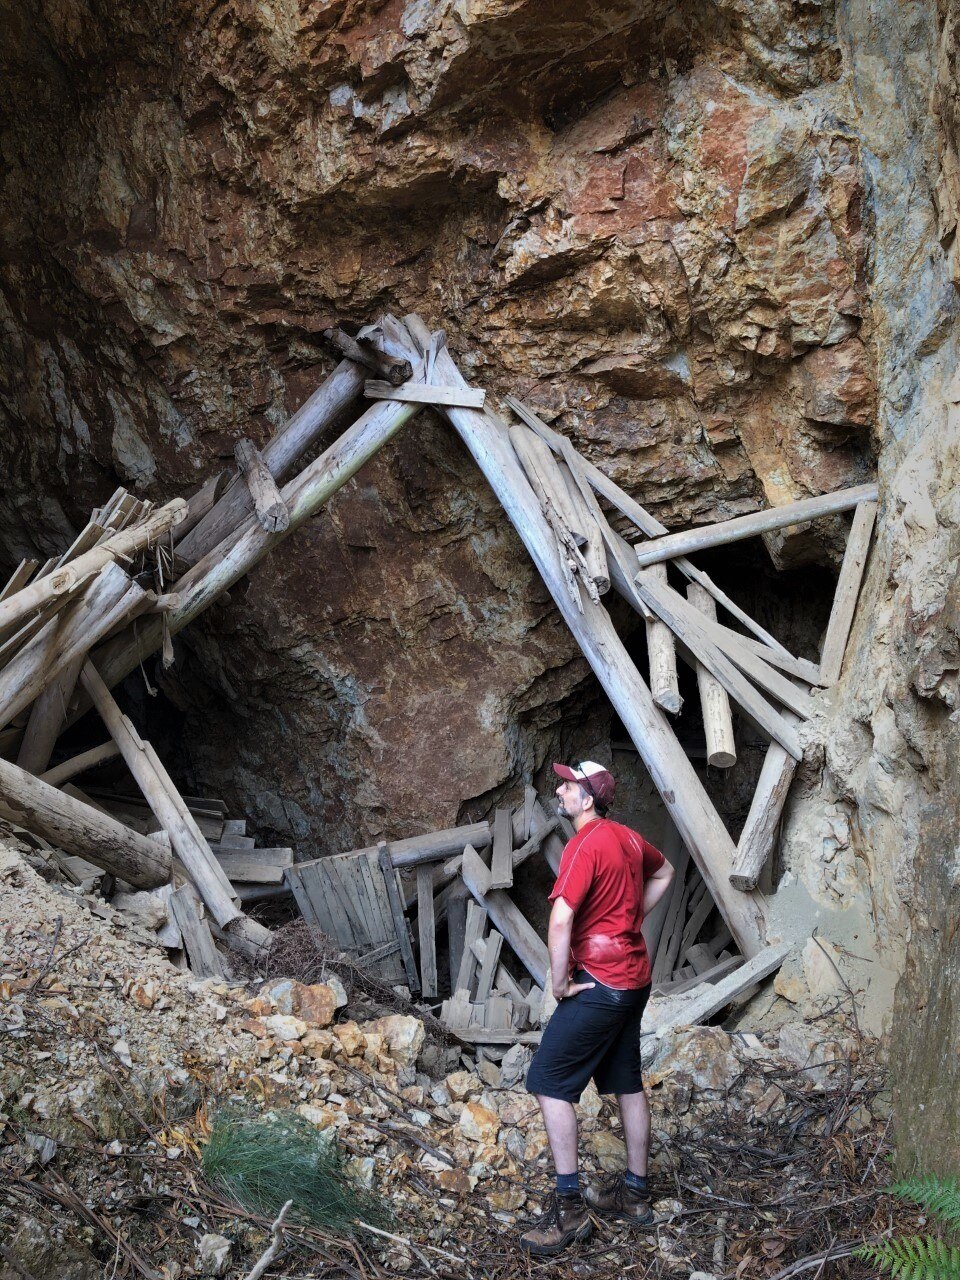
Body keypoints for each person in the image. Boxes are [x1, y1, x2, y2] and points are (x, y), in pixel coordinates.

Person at [519, 760, 675, 1257]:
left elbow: (561, 921)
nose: (560, 791)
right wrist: (630, 920)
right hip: (635, 979)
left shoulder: (582, 844)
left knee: (548, 1080)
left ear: (587, 799)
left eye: (568, 786)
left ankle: (568, 1213)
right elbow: (665, 871)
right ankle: (635, 1196)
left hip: (601, 982)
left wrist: (560, 983)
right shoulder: (629, 838)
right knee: (627, 1081)